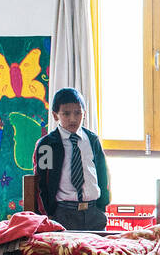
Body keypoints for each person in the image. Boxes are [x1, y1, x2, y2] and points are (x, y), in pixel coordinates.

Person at [33, 87, 110, 231]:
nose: (73, 119)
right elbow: (43, 181)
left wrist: (102, 205)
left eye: (78, 113)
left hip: (94, 212)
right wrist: (49, 212)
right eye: (66, 114)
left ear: (84, 114)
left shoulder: (92, 140)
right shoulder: (47, 145)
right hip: (63, 214)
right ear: (55, 115)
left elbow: (102, 173)